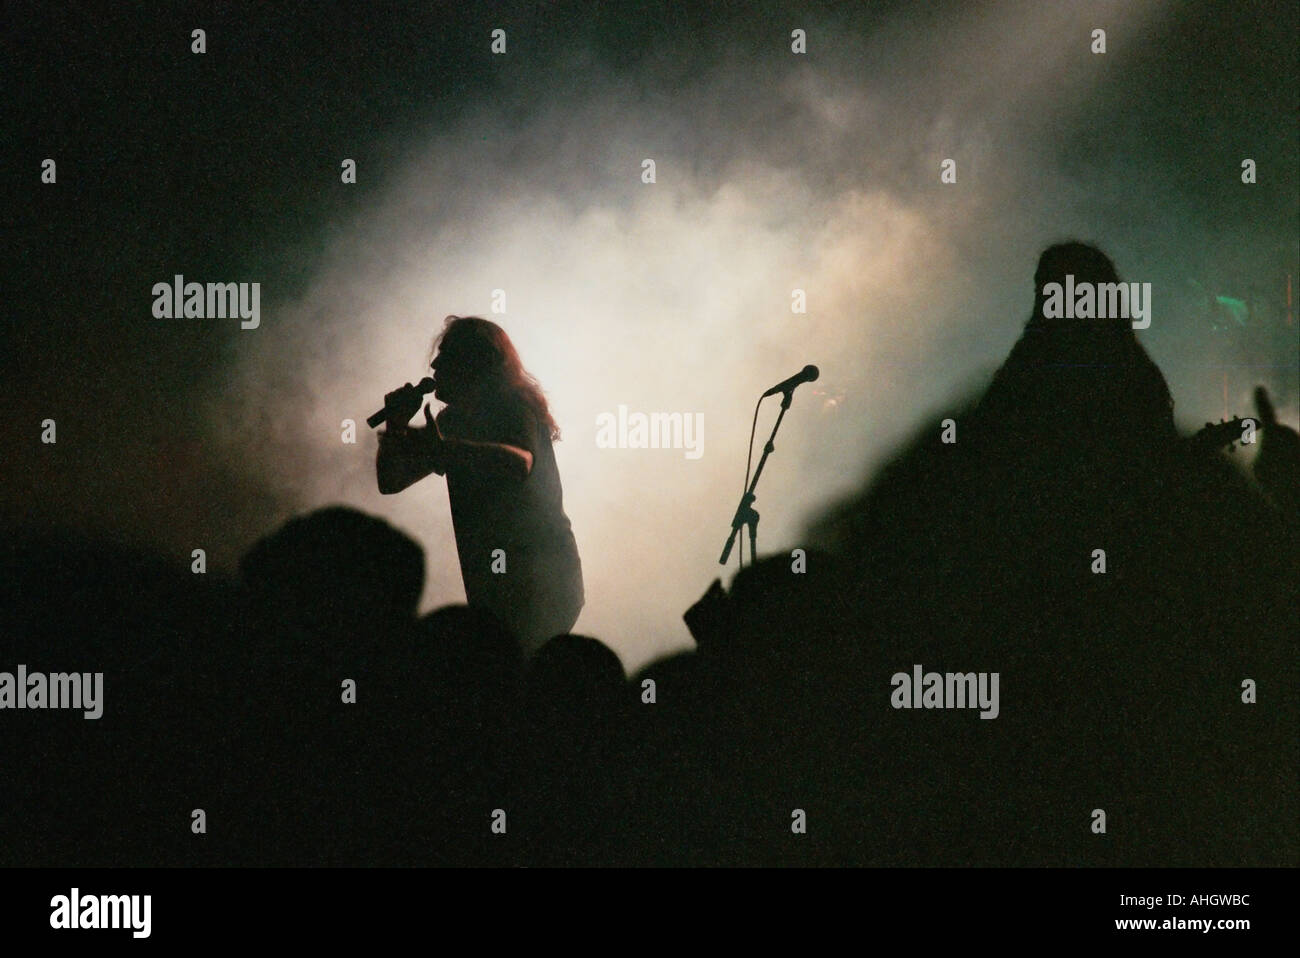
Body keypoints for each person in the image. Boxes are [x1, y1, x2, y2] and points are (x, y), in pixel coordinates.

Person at [377, 316, 584, 653]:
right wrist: (396, 424)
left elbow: (519, 462)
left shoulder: (513, 406)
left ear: (473, 362)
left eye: (445, 355)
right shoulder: (453, 420)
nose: (434, 363)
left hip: (543, 577)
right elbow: (391, 482)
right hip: (491, 581)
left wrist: (445, 449)